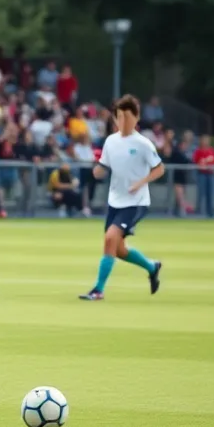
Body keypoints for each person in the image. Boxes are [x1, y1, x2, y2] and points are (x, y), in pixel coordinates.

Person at [80, 95, 164, 301]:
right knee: (117, 249)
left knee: (110, 238)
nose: (122, 121)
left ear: (136, 118)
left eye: (127, 116)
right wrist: (97, 171)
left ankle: (98, 290)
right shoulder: (111, 141)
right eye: (119, 117)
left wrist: (141, 182)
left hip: (136, 203)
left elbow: (159, 169)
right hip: (115, 201)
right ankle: (152, 267)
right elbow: (103, 167)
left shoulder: (143, 143)